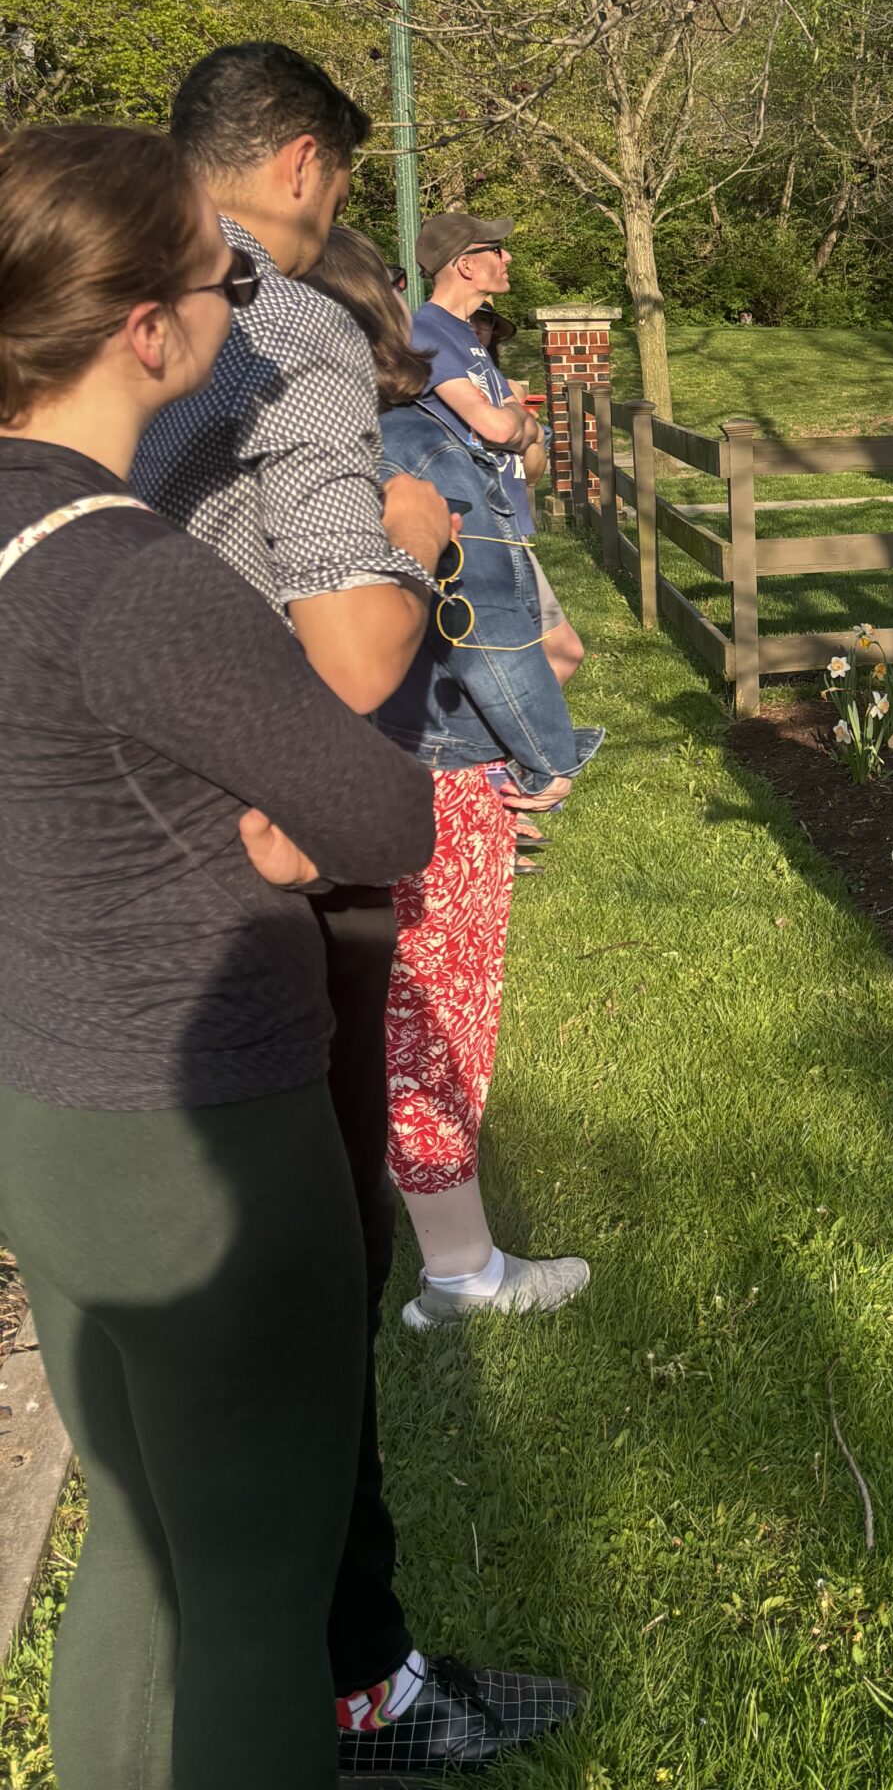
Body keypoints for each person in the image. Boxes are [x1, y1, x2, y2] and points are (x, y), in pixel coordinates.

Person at [133, 46, 583, 1775]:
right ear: (309, 163)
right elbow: (350, 647)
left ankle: (274, 1659)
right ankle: (361, 1690)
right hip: (285, 865)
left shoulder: (105, 319)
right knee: (323, 1287)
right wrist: (402, 536)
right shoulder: (292, 322)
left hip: (127, 870)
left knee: (213, 1315)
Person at [0, 124, 438, 1790]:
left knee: (140, 1544)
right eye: (222, 276)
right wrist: (413, 547)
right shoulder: (137, 583)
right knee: (252, 1598)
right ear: (144, 330)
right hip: (206, 1147)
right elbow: (384, 810)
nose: (234, 306)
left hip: (45, 1119)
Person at [309, 227, 599, 1328]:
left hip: (355, 761)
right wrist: (546, 757)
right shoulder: (411, 446)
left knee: (376, 1008)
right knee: (440, 1011)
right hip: (439, 763)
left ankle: (410, 1241)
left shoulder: (312, 448)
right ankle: (461, 1271)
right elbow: (482, 631)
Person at [411, 214, 584, 686]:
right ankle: (490, 756)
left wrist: (516, 422)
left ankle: (499, 756)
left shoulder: (467, 336)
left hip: (504, 524)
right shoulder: (428, 332)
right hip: (475, 535)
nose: (506, 257)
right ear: (465, 265)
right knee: (539, 659)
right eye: (496, 249)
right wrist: (515, 422)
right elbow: (498, 425)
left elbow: (520, 429)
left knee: (557, 654)